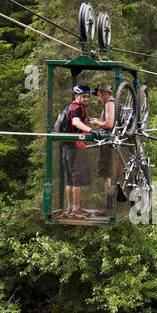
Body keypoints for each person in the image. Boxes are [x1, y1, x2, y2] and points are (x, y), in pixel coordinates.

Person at [61, 83, 93, 218]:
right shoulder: (78, 108)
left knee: (69, 180)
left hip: (66, 148)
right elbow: (75, 122)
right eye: (83, 96)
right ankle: (76, 209)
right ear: (76, 96)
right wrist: (91, 131)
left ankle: (69, 208)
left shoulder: (69, 107)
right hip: (76, 148)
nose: (86, 99)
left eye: (88, 97)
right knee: (77, 180)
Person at [90, 79, 121, 215]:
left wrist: (97, 123)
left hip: (107, 144)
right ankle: (111, 206)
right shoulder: (114, 103)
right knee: (109, 175)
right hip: (111, 143)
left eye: (99, 95)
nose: (98, 98)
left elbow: (109, 124)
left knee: (107, 176)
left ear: (104, 93)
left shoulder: (109, 104)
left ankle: (109, 208)